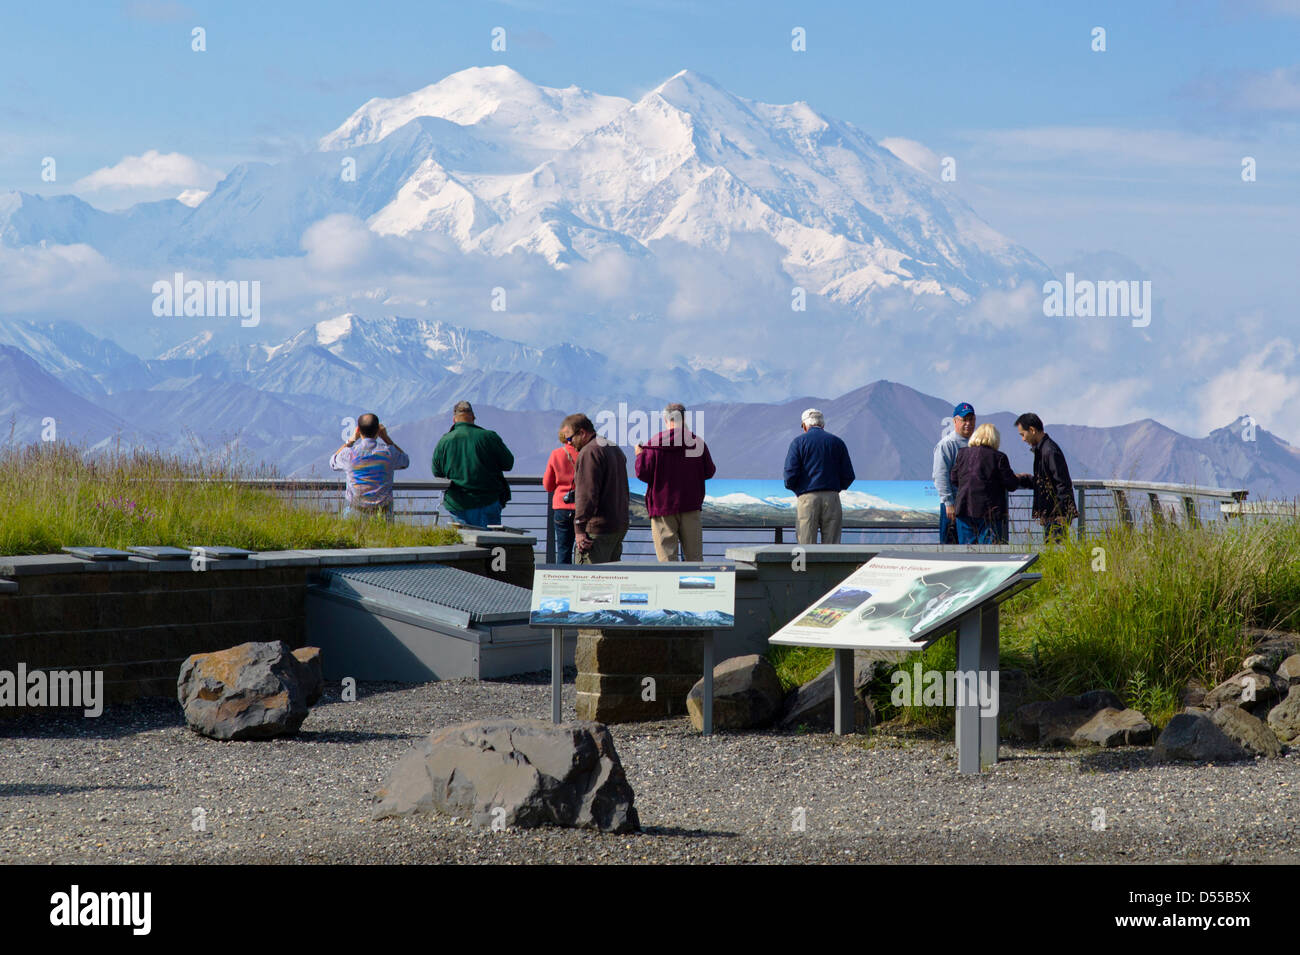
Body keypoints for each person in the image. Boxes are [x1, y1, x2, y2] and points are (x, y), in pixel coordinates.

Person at [634, 403, 716, 562]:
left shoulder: (654, 445)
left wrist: (639, 455)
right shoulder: (697, 443)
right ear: (684, 418)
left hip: (662, 507)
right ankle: (695, 586)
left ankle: (669, 587)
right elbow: (709, 471)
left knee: (667, 561)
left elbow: (642, 473)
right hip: (691, 506)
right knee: (694, 559)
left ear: (665, 420)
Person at [431, 400, 515, 527]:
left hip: (458, 503)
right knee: (491, 543)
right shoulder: (489, 437)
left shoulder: (445, 441)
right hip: (489, 500)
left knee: (463, 544)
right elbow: (508, 464)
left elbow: (437, 472)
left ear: (454, 420)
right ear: (473, 418)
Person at [783, 408, 855, 544]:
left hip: (807, 498)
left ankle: (808, 566)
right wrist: (836, 489)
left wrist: (798, 490)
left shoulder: (798, 443)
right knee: (832, 544)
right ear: (823, 425)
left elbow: (790, 475)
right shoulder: (837, 442)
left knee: (806, 543)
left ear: (805, 425)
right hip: (832, 498)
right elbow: (848, 475)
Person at [566, 413, 630, 564]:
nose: (569, 443)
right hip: (618, 524)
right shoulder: (612, 446)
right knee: (611, 578)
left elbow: (586, 494)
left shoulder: (589, 452)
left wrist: (579, 529)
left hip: (597, 529)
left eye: (570, 438)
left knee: (589, 579)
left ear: (582, 433)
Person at [329, 413, 410, 519]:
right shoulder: (388, 453)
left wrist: (351, 440)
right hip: (383, 514)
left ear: (358, 430)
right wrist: (386, 438)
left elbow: (333, 461)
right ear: (378, 430)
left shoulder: (349, 454)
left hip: (356, 511)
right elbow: (405, 460)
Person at [950, 423, 1020, 544]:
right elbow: (1011, 484)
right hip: (989, 512)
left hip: (964, 507)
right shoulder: (999, 457)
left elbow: (954, 478)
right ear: (994, 438)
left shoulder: (962, 454)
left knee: (966, 550)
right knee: (990, 552)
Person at [1014, 412, 1077, 543]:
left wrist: (1062, 513)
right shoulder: (1044, 450)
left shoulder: (1049, 451)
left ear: (1032, 430)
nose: (1023, 439)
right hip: (1051, 514)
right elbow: (1045, 481)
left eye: (1023, 434)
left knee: (1055, 551)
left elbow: (1063, 483)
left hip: (1056, 516)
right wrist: (1024, 479)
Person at [933, 402, 976, 544]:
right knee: (950, 546)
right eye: (964, 420)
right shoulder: (947, 444)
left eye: (971, 419)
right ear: (955, 421)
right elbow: (940, 475)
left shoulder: (976, 443)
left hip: (971, 504)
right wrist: (948, 503)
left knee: (970, 546)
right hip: (952, 505)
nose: (968, 423)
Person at [542, 419, 579, 563]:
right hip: (583, 507)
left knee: (563, 549)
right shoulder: (586, 453)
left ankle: (563, 580)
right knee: (585, 550)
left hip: (562, 507)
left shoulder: (556, 454)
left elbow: (548, 485)